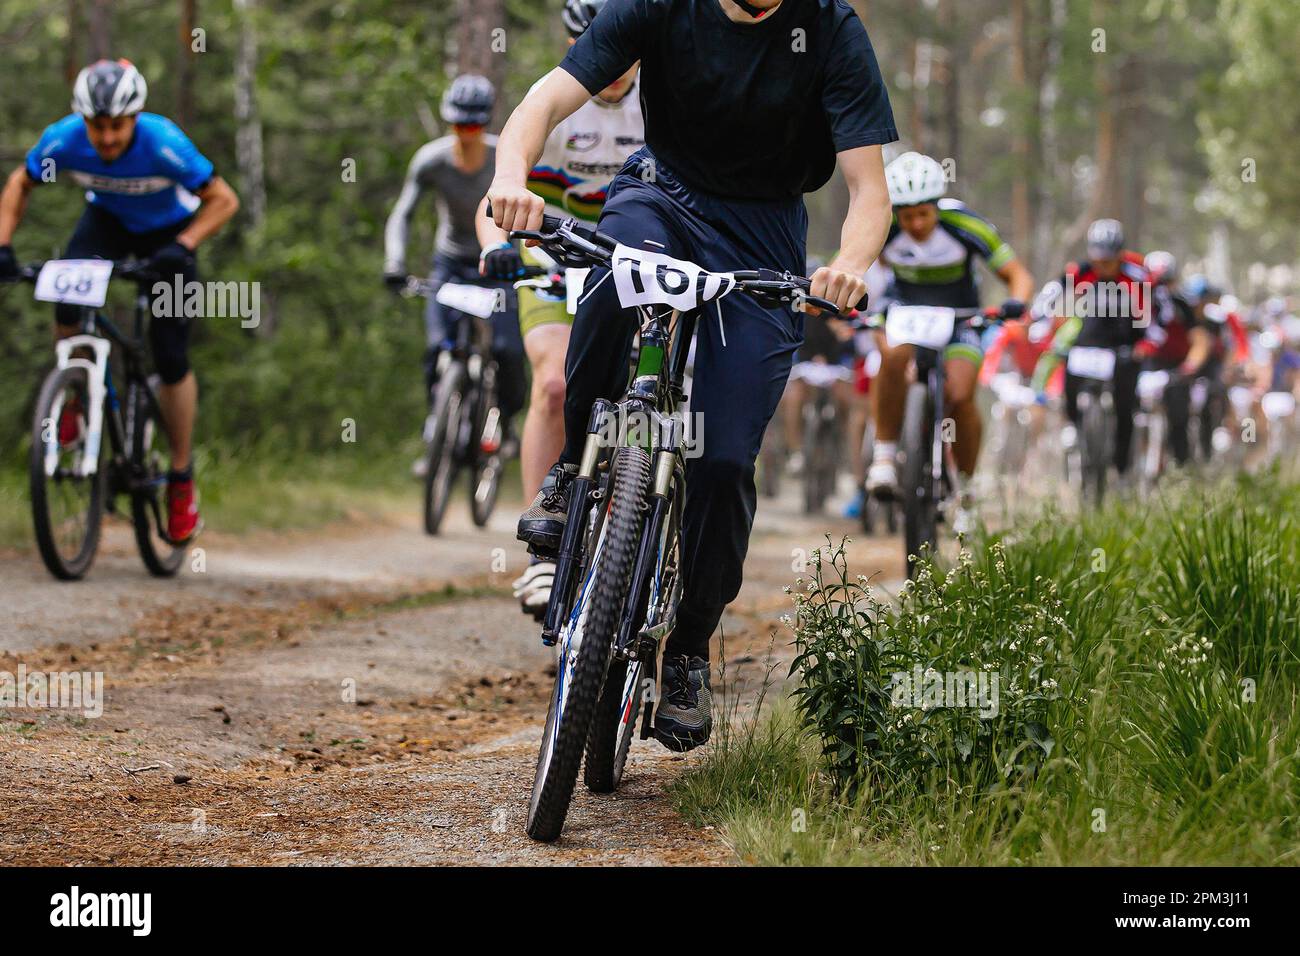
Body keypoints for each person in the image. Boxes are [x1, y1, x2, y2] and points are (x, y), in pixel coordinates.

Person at [486, 0, 897, 751]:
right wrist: (512, 174)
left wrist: (849, 265)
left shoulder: (830, 28)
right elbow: (545, 98)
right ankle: (572, 465)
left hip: (766, 233)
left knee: (725, 458)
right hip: (660, 196)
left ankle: (686, 652)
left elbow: (869, 188)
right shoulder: (658, 4)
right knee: (615, 282)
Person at [0, 59, 239, 543]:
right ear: (82, 120)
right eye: (97, 127)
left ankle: (179, 477)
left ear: (136, 117)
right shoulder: (63, 141)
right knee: (66, 306)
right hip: (106, 225)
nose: (106, 139)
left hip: (171, 233)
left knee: (171, 357)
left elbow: (224, 200)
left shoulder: (164, 143)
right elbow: (20, 183)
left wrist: (185, 245)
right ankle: (76, 396)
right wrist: (3, 245)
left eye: (117, 126)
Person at [475, 0, 645, 619]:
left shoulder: (664, 101)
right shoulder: (554, 99)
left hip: (640, 266)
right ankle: (544, 551)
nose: (612, 70)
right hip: (557, 266)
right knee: (552, 384)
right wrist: (497, 246)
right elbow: (498, 194)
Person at [864, 151, 1034, 532]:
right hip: (907, 312)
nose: (916, 224)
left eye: (924, 213)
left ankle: (967, 492)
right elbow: (853, 263)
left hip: (961, 318)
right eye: (907, 216)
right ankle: (885, 458)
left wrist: (1016, 304)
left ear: (938, 206)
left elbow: (1017, 275)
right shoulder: (883, 226)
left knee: (960, 393)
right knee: (891, 357)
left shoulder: (964, 222)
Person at [383, 74, 526, 476]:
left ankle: (507, 424)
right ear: (449, 122)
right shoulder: (432, 160)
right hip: (449, 265)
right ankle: (437, 433)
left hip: (496, 264)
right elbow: (403, 213)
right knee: (435, 351)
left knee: (509, 353)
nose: (466, 133)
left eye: (474, 124)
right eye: (459, 124)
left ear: (485, 123)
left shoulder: (506, 156)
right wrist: (395, 262)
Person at [1034, 219, 1154, 479]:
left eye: (1109, 261)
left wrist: (1144, 345)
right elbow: (1050, 295)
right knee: (1070, 386)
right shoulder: (1080, 271)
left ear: (1120, 255)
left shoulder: (1137, 277)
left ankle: (1122, 468)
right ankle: (1075, 429)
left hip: (1125, 347)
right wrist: (1037, 316)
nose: (1103, 266)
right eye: (1098, 259)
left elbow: (1154, 317)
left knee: (1126, 406)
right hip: (1089, 344)